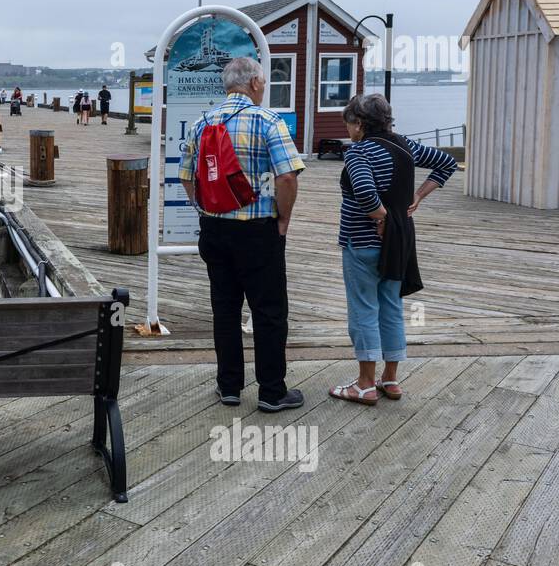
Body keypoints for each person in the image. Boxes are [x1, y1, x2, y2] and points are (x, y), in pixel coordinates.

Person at [183, 56, 305, 412]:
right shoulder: (269, 121)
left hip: (215, 229)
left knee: (224, 309)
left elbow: (188, 178)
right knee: (268, 311)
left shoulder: (201, 122)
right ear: (253, 83)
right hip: (257, 232)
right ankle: (271, 392)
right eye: (264, 82)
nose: (264, 87)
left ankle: (229, 386)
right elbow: (287, 177)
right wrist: (283, 219)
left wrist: (205, 211)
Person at [330, 93, 457, 404]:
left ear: (359, 123)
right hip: (400, 242)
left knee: (363, 310)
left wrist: (381, 216)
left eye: (348, 123)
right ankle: (390, 379)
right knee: (390, 307)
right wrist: (418, 197)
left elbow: (363, 189)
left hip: (362, 243)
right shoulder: (405, 145)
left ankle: (364, 384)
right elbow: (447, 163)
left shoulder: (359, 152)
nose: (348, 130)